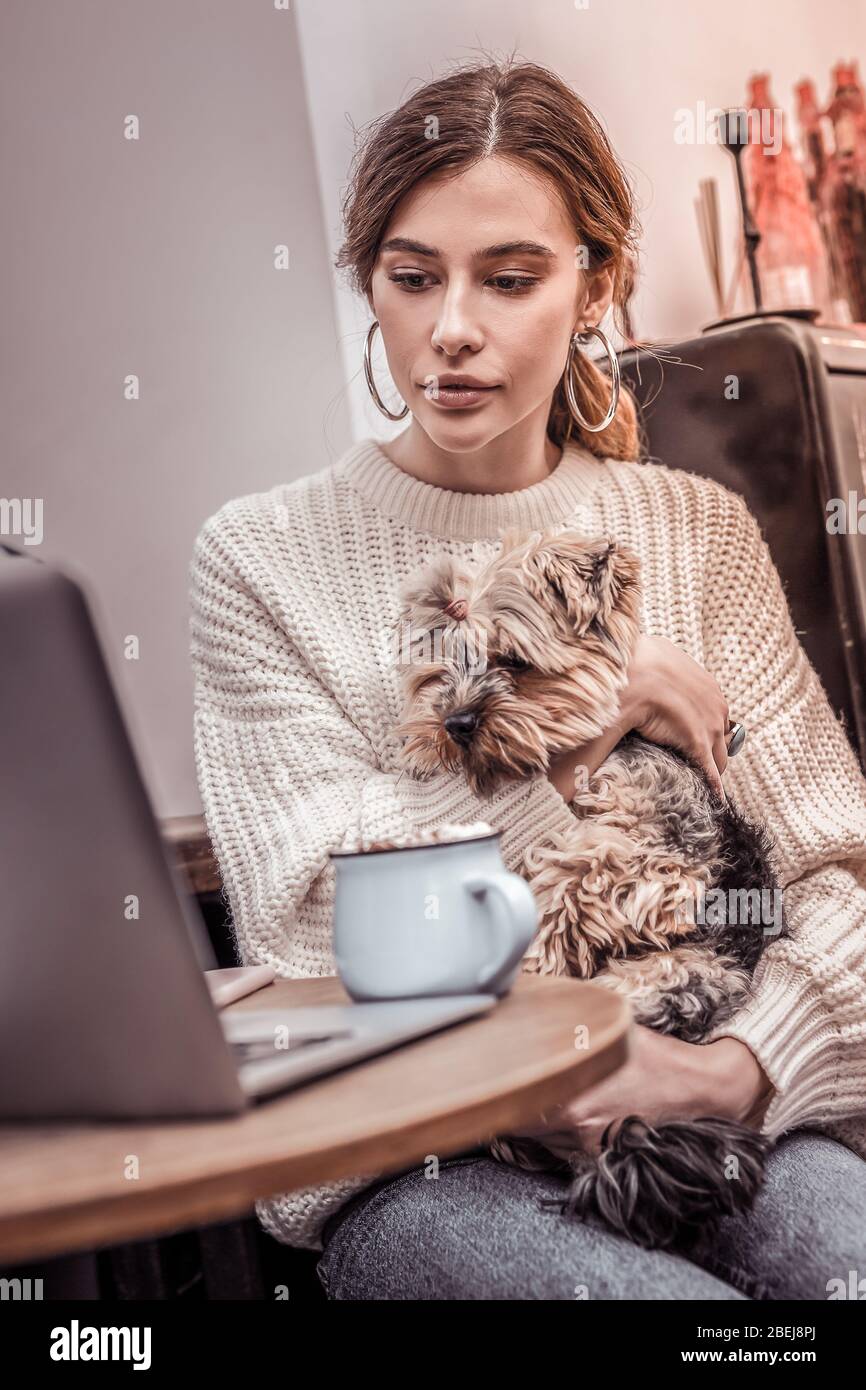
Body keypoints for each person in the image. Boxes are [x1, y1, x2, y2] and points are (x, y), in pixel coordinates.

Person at [189, 58, 866, 1300]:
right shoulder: (260, 561)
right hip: (432, 1159)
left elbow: (838, 871)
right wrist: (572, 725)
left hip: (718, 1099)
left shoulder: (697, 535)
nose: (451, 326)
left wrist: (740, 1066)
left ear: (595, 284)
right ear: (371, 287)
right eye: (410, 277)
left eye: (508, 278)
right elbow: (314, 930)